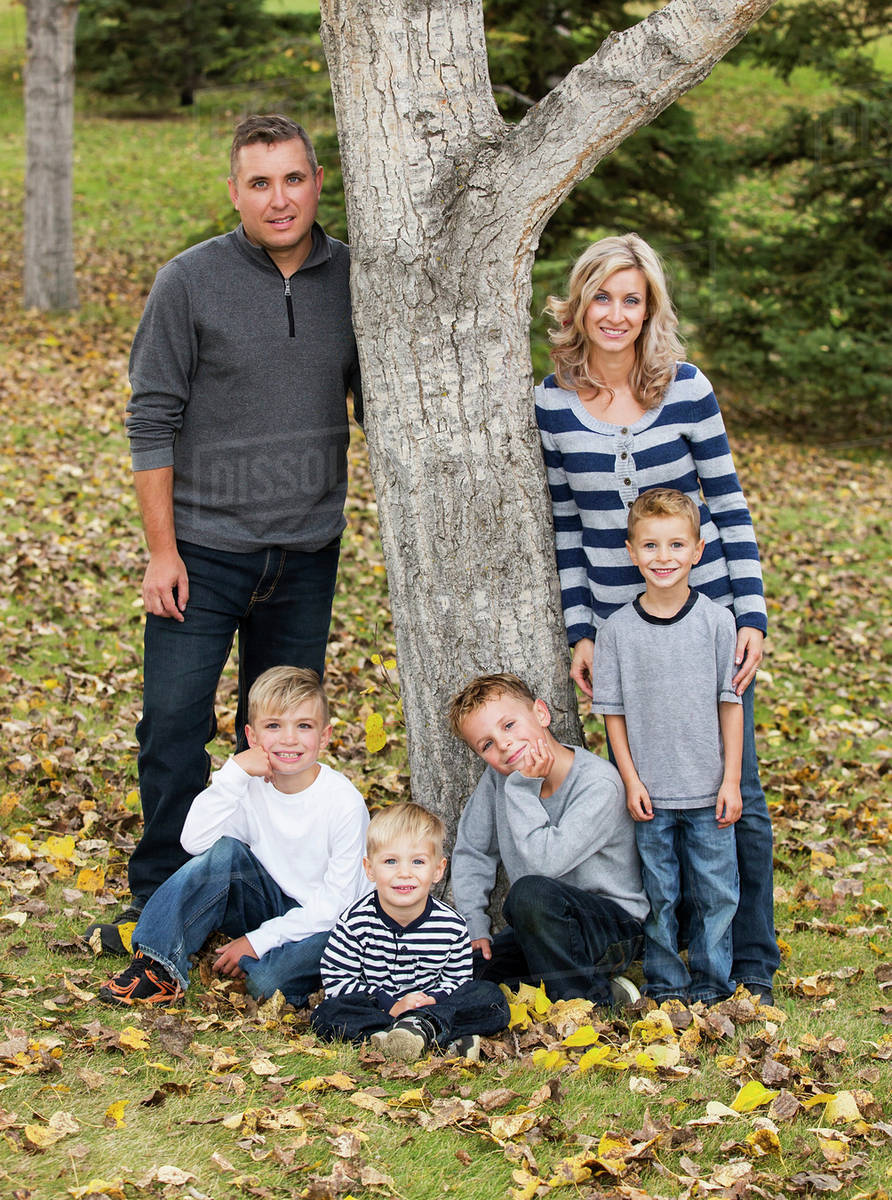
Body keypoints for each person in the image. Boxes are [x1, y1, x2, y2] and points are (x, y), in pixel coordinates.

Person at [87, 114, 362, 952]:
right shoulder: (189, 282)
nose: (279, 199)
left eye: (293, 179)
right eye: (259, 182)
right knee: (172, 725)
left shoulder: (355, 278)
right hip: (201, 552)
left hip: (306, 554)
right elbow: (151, 419)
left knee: (283, 742)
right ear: (234, 191)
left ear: (318, 182)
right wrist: (162, 551)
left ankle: (266, 900)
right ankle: (161, 899)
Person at [535, 232, 777, 1004]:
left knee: (739, 799)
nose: (615, 313)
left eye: (631, 299)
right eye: (601, 296)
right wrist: (581, 628)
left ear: (650, 308)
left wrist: (750, 615)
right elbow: (567, 528)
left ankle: (752, 961)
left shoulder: (687, 387)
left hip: (704, 627)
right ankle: (669, 959)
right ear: (578, 303)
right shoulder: (552, 400)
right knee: (647, 802)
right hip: (622, 634)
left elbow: (729, 505)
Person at [98, 667, 369, 1007]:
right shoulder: (246, 785)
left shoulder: (343, 802)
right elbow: (195, 843)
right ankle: (156, 965)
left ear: (325, 735)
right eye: (273, 726)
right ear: (252, 737)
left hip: (335, 925)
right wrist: (233, 774)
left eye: (304, 726)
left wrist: (258, 940)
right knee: (224, 852)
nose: (289, 739)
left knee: (266, 983)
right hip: (272, 901)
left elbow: (335, 907)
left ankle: (298, 970)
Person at [592, 489, 742, 1004]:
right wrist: (630, 780)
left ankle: (712, 985)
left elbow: (731, 706)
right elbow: (613, 714)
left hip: (709, 792)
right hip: (649, 795)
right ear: (632, 552)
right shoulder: (616, 631)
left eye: (676, 545)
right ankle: (666, 985)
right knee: (660, 896)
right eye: (651, 546)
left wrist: (731, 780)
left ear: (697, 551)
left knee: (716, 895)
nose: (664, 558)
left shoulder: (718, 623)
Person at [449, 673, 647, 1008]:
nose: (503, 744)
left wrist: (524, 787)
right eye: (486, 744)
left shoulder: (598, 785)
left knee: (530, 893)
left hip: (611, 926)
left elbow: (543, 866)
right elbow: (473, 851)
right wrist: (474, 925)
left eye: (509, 725)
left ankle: (582, 1006)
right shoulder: (499, 780)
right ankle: (601, 989)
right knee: (472, 971)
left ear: (541, 714)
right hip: (541, 927)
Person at [311, 803, 509, 1061]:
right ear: (370, 868)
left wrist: (431, 1002)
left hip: (432, 1008)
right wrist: (391, 1005)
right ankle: (428, 1038)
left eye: (418, 861)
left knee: (491, 999)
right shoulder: (353, 923)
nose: (404, 873)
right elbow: (338, 980)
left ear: (438, 869)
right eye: (390, 861)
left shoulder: (452, 926)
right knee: (326, 1015)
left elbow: (457, 981)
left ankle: (419, 1029)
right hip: (379, 1009)